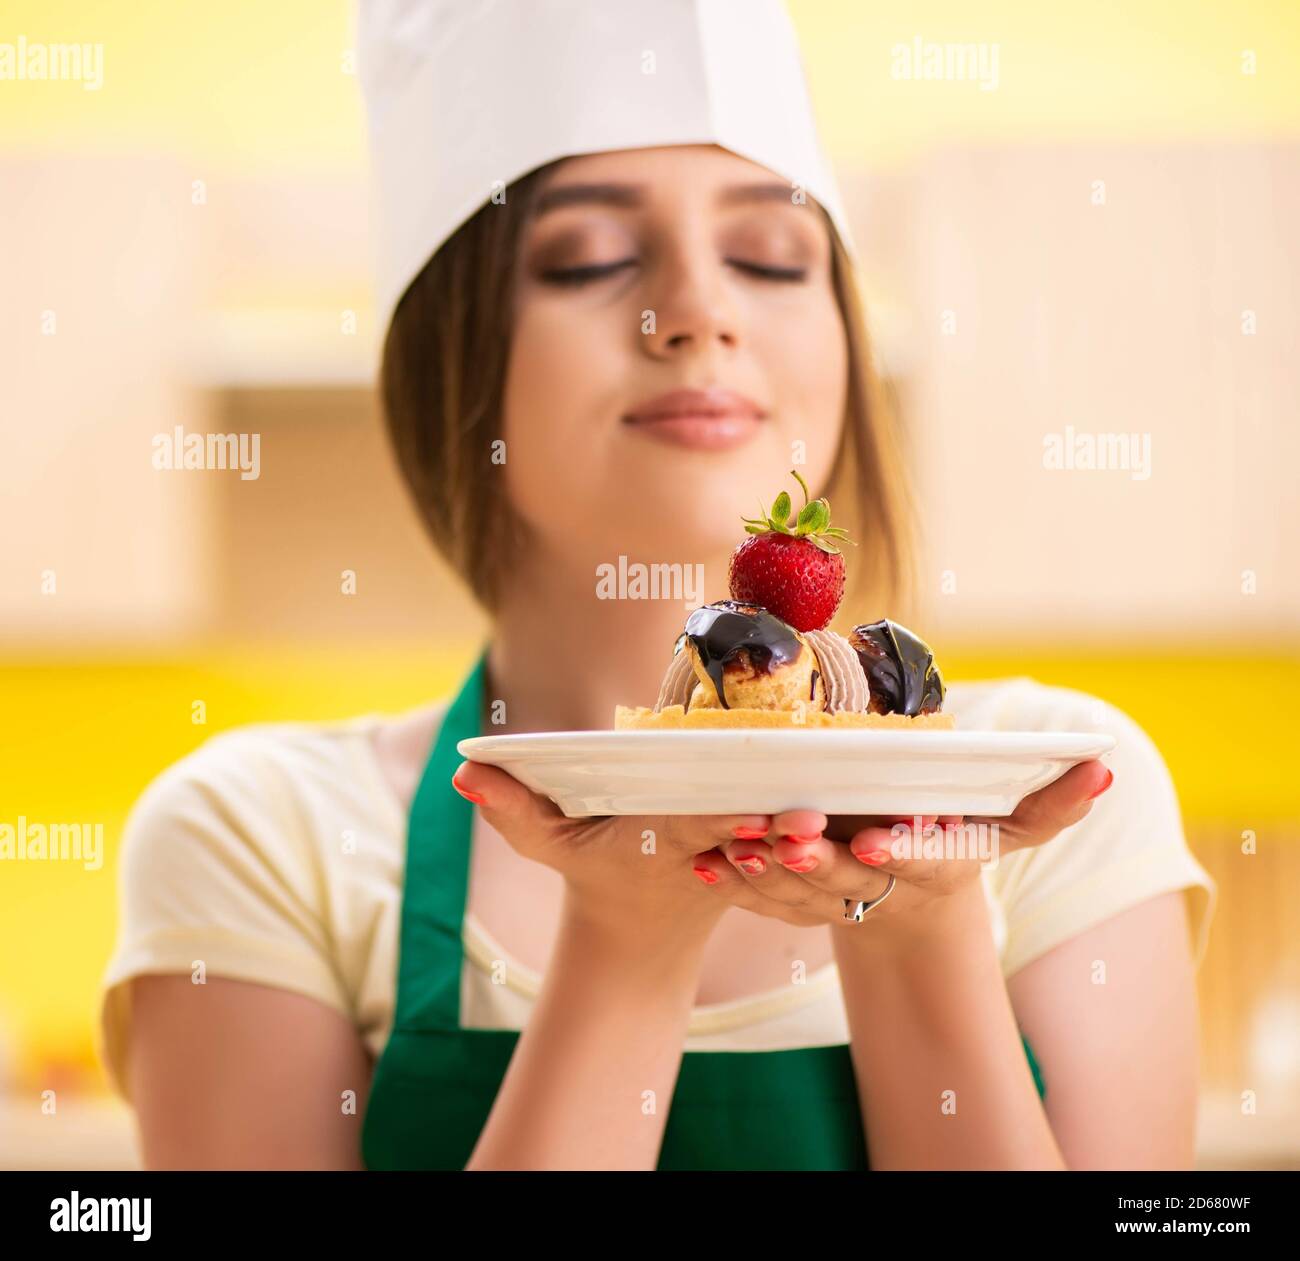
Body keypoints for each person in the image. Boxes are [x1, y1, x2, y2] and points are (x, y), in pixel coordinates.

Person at [97, 0, 1216, 1170]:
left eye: (771, 257)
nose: (697, 311)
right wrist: (624, 938)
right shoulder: (260, 836)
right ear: (453, 352)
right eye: (588, 259)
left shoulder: (1056, 796)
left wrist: (918, 922)